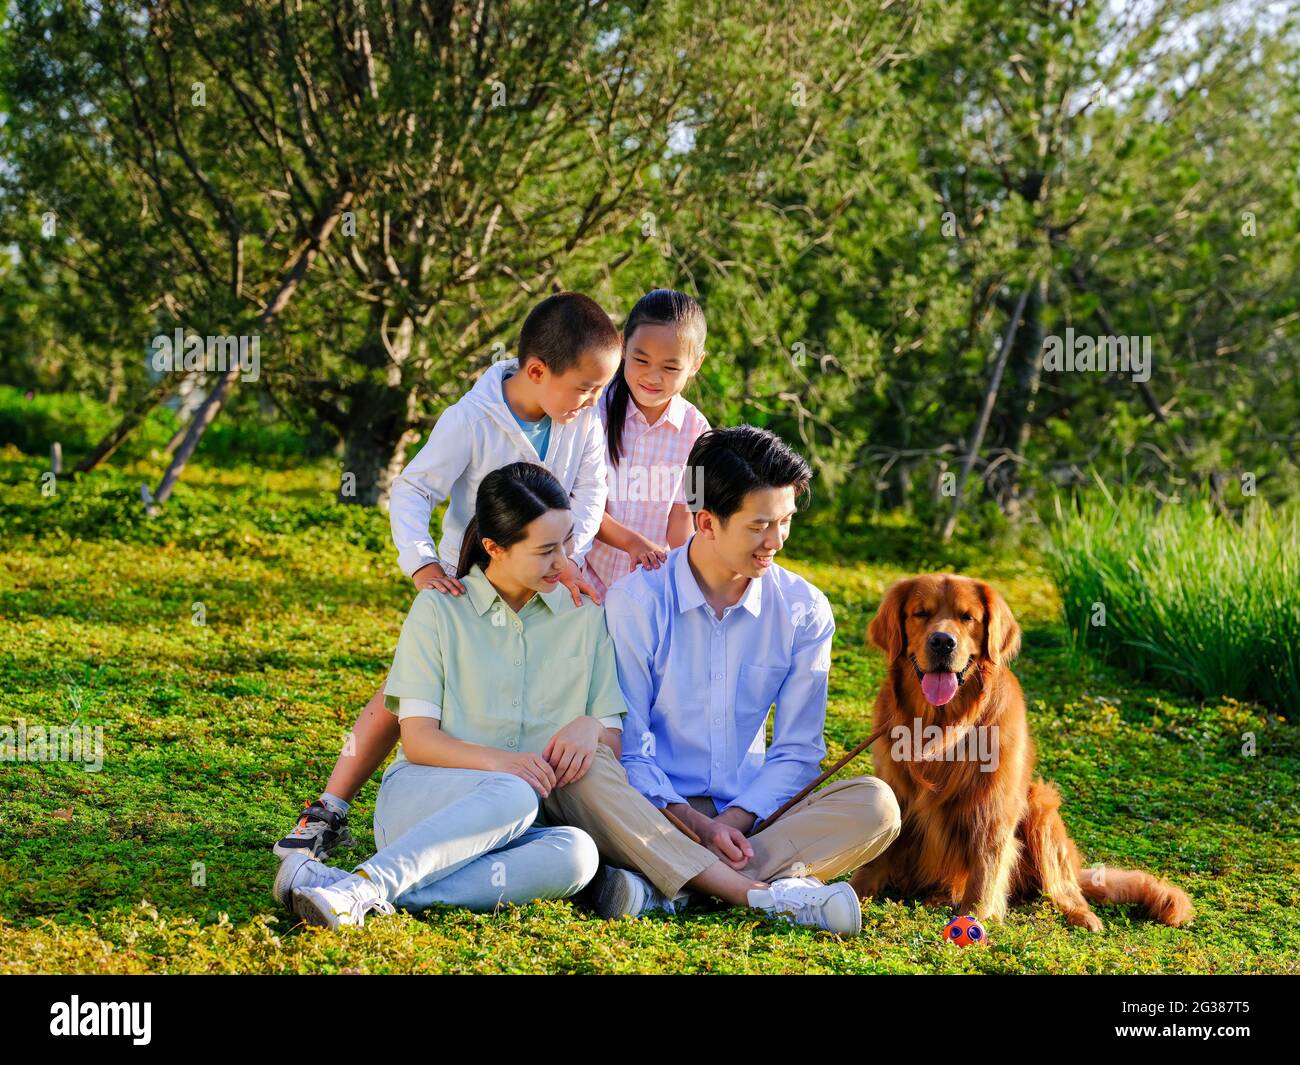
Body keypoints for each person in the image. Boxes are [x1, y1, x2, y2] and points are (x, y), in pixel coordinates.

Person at [273, 293, 621, 861]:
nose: (590, 402)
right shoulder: (470, 417)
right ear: (536, 371)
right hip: (470, 576)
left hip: (542, 572)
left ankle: (501, 806)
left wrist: (566, 556)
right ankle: (330, 808)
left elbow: (591, 493)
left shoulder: (579, 419)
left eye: (597, 392)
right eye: (583, 388)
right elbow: (414, 489)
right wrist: (422, 563)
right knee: (404, 693)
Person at [273, 463, 620, 928]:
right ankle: (366, 887)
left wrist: (591, 727)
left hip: (521, 822)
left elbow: (611, 742)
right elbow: (418, 741)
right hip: (423, 802)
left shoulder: (583, 614)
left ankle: (357, 888)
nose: (565, 562)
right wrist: (505, 764)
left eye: (567, 542)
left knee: (578, 855)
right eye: (545, 551)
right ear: (495, 548)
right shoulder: (439, 608)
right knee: (516, 792)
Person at [597, 426, 902, 929]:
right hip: (655, 808)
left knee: (876, 805)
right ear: (707, 521)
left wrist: (731, 823)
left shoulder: (803, 610)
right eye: (760, 525)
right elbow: (631, 748)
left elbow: (798, 751)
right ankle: (750, 884)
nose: (776, 541)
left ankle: (669, 885)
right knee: (591, 775)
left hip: (754, 817)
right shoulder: (637, 602)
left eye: (785, 521)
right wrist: (694, 824)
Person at [581, 289, 711, 597]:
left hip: (648, 592)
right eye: (641, 359)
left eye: (670, 367)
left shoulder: (699, 432)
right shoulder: (590, 411)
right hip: (583, 582)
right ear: (623, 345)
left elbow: (684, 517)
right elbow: (576, 502)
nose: (652, 377)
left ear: (695, 364)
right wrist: (632, 542)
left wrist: (690, 577)